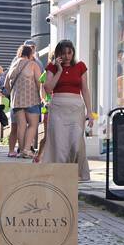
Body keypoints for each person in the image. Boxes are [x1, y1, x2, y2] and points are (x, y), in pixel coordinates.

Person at [39, 39, 91, 179]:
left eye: (70, 52)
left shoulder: (80, 66)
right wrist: (59, 70)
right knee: (59, 142)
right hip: (57, 107)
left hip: (76, 108)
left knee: (76, 141)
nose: (67, 56)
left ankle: (76, 172)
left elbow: (85, 90)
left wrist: (90, 113)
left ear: (73, 52)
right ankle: (61, 173)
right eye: (64, 53)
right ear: (58, 54)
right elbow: (48, 88)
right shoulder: (52, 67)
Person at [5, 44, 44, 159]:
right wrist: (42, 97)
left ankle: (22, 150)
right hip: (31, 99)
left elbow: (6, 85)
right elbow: (39, 82)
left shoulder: (13, 66)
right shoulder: (33, 65)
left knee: (21, 126)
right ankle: (27, 149)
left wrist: (15, 93)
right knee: (33, 124)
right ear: (30, 54)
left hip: (16, 101)